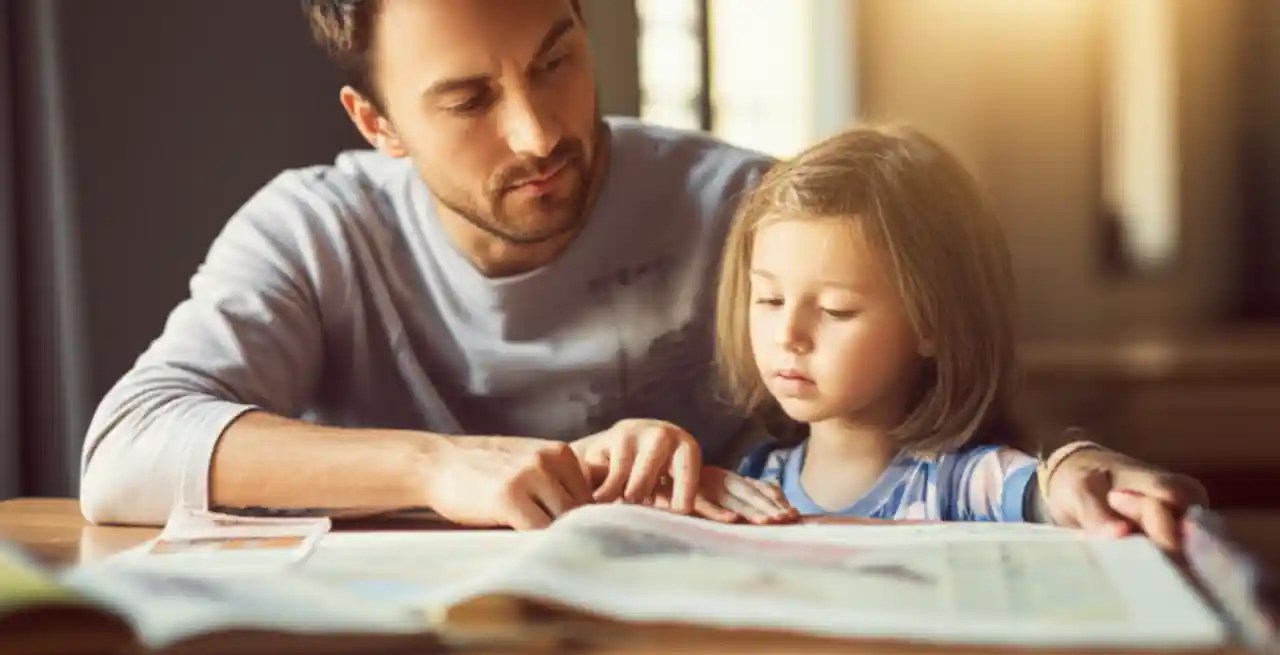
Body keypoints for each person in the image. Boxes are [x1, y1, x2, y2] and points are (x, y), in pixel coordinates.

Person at [79, 0, 1196, 538]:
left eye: (557, 58)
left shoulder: (748, 210)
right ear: (375, 120)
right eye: (467, 100)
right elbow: (124, 456)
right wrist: (438, 468)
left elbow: (961, 422)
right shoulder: (311, 231)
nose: (537, 133)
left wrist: (1076, 461)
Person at [710, 125, 1206, 549]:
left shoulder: (958, 482)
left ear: (931, 322)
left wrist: (1081, 470)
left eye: (835, 310)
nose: (789, 335)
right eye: (770, 301)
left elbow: (1055, 487)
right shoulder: (755, 477)